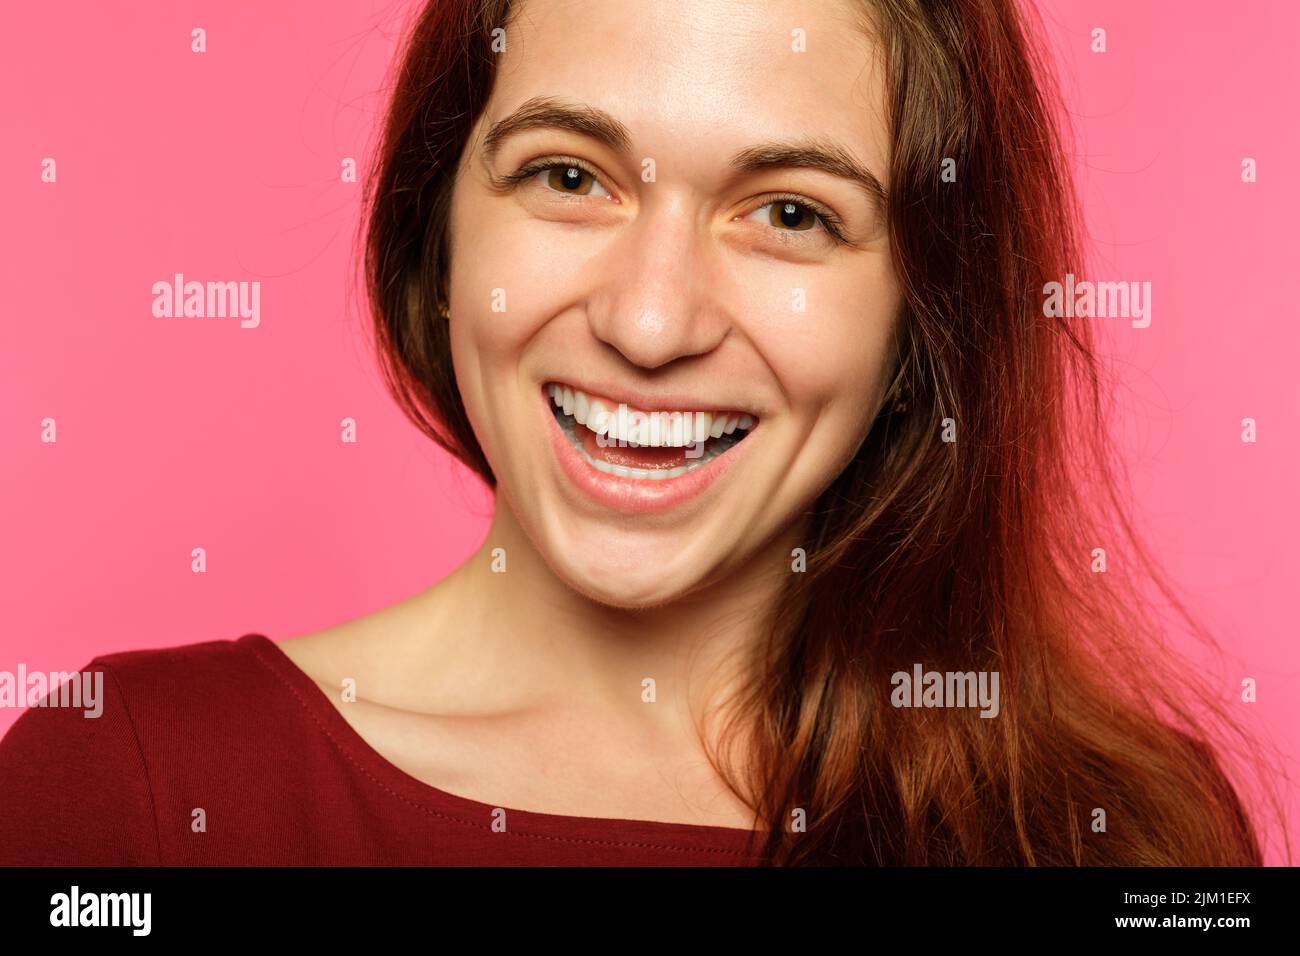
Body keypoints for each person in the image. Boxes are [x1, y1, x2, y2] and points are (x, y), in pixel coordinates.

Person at [0, 0, 1270, 866]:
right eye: (566, 175)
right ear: (440, 233)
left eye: (788, 211)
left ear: (919, 321)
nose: (650, 321)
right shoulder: (129, 790)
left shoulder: (1126, 827)